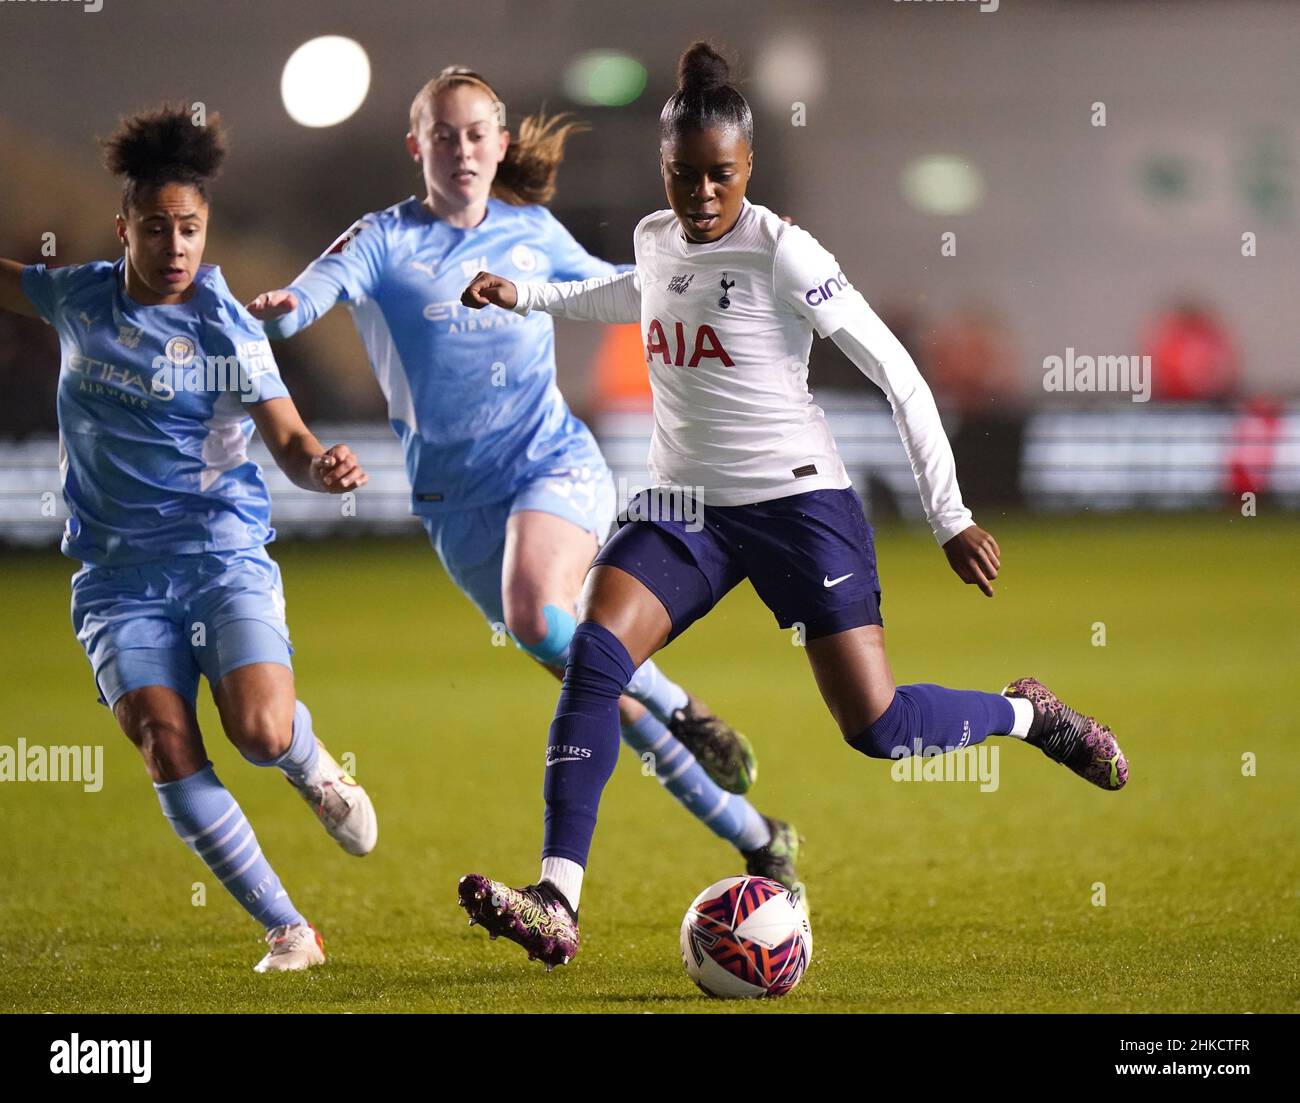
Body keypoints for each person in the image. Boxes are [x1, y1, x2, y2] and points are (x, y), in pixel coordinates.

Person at [455, 42, 1129, 970]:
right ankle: (556, 898)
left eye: (719, 177)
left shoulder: (784, 252)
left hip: (798, 506)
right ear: (665, 168)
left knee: (878, 727)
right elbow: (628, 293)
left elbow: (898, 375)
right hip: (683, 504)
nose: (701, 196)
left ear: (748, 168)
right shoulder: (659, 239)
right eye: (685, 176)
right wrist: (523, 295)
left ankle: (1029, 716)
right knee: (592, 657)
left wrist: (950, 514)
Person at [246, 68, 804, 899]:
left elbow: (631, 288)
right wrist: (278, 306)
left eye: (477, 134)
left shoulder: (531, 233)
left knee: (538, 614)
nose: (463, 150)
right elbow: (305, 298)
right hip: (455, 510)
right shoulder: (381, 240)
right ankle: (759, 837)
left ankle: (682, 705)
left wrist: (732, 270)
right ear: (417, 147)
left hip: (552, 465)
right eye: (445, 135)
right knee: (606, 698)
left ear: (500, 144)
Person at [0, 105, 378, 973]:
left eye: (193, 229)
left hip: (219, 559)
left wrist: (323, 467)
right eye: (160, 228)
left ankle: (311, 762)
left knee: (256, 729)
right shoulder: (76, 297)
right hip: (115, 580)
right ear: (124, 227)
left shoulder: (224, 324)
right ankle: (289, 928)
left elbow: (287, 438)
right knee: (165, 742)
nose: (178, 247)